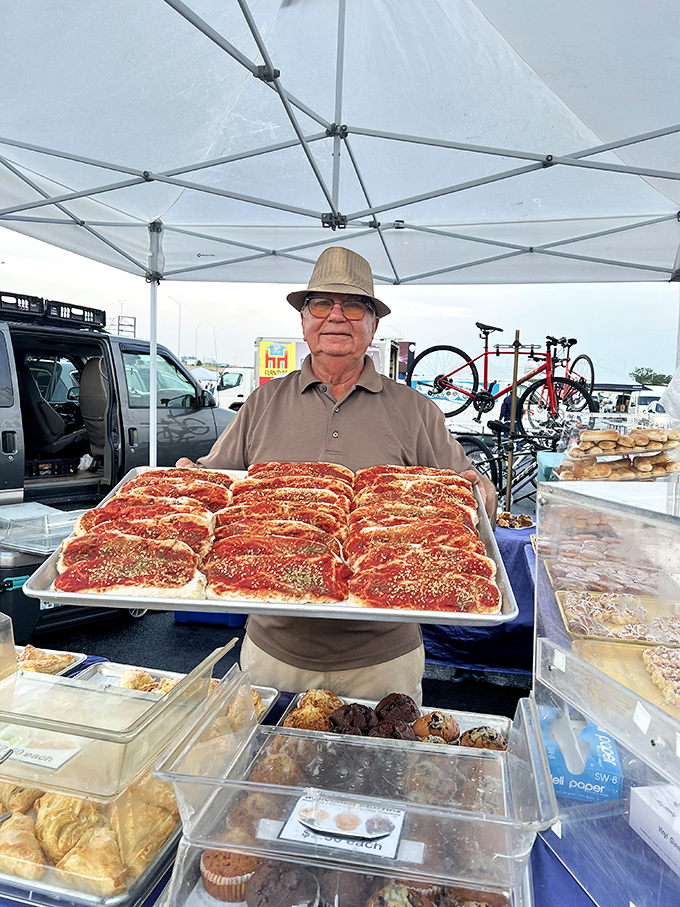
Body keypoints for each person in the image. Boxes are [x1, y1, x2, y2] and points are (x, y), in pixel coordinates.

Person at [176, 246, 497, 703]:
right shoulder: (264, 402)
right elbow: (216, 491)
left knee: (382, 773)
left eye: (353, 306)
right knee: (265, 771)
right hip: (274, 651)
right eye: (321, 304)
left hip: (384, 658)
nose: (336, 317)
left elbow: (468, 501)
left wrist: (484, 495)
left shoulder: (415, 410)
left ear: (374, 324)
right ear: (304, 321)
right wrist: (189, 477)